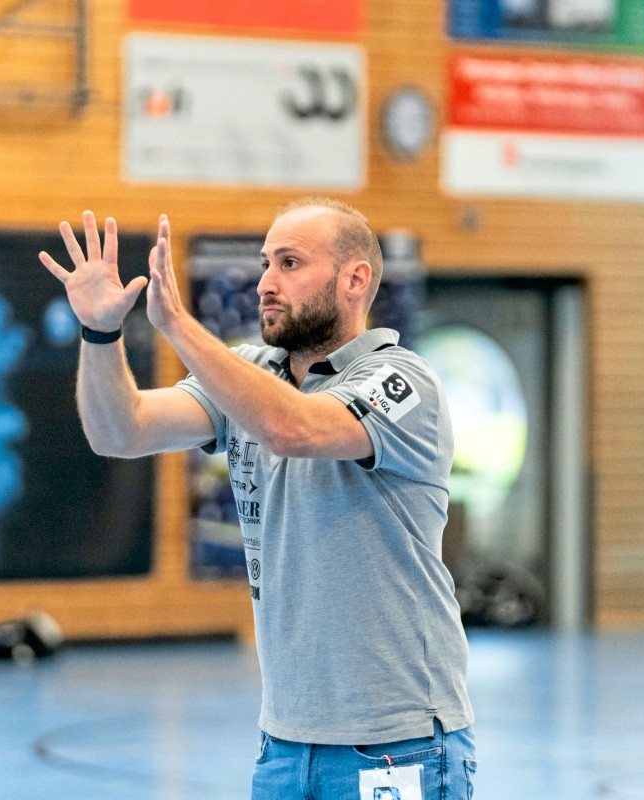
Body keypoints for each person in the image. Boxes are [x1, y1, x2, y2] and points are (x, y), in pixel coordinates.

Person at [39, 199, 477, 799]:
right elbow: (121, 429)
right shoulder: (251, 372)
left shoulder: (402, 382)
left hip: (397, 740)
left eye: (290, 263)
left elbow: (292, 429)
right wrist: (100, 332)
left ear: (356, 280)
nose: (266, 283)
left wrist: (178, 325)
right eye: (266, 262)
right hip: (285, 743)